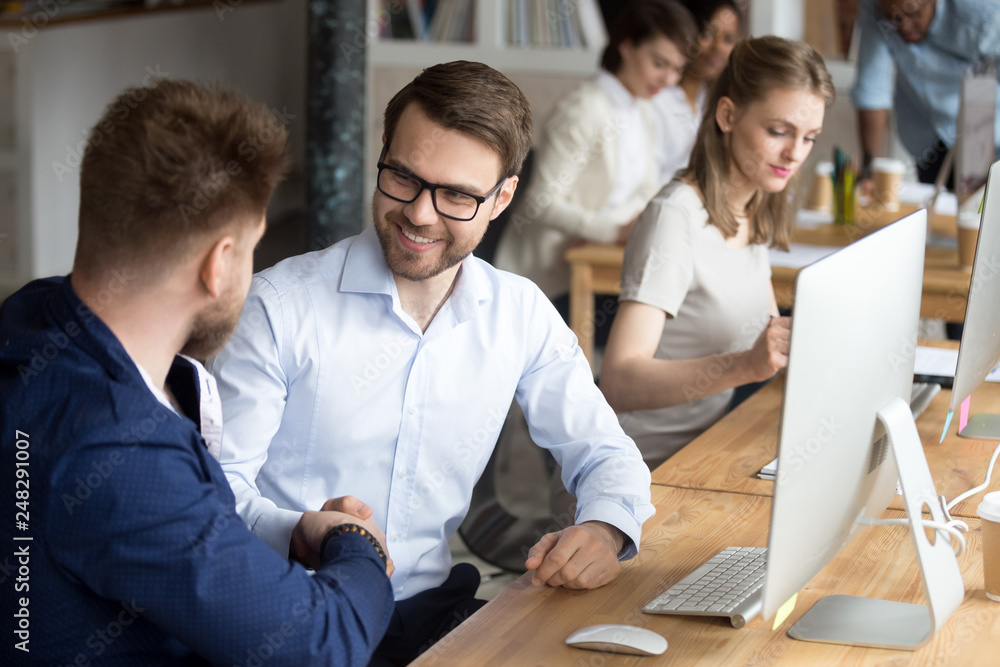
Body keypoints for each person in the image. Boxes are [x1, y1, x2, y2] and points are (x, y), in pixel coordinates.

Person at [208, 60, 655, 666]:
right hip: (291, 619)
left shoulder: (518, 312)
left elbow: (604, 451)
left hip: (428, 617)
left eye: (457, 195)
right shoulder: (278, 308)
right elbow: (213, 496)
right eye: (403, 178)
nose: (419, 213)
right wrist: (301, 530)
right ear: (383, 154)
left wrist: (606, 529)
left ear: (502, 199)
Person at [0, 80, 394, 665]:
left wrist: (295, 532)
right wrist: (355, 544)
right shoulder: (121, 451)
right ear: (220, 263)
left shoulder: (32, 312)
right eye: (253, 247)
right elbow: (323, 645)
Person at [600, 37, 835, 470]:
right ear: (727, 115)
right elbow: (619, 381)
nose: (795, 153)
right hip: (639, 469)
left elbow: (769, 328)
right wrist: (746, 365)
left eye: (809, 137)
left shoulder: (752, 204)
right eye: (778, 131)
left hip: (707, 446)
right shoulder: (676, 217)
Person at [493, 0, 696, 349]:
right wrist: (613, 231)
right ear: (627, 45)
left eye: (677, 69)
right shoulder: (585, 109)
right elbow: (540, 203)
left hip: (594, 264)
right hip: (548, 277)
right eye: (659, 63)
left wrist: (604, 234)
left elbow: (644, 192)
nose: (669, 79)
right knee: (665, 323)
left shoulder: (640, 107)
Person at [852, 0, 1000, 191]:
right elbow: (872, 89)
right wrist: (869, 171)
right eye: (894, 18)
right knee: (935, 214)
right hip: (927, 141)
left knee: (983, 214)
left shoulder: (983, 11)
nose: (904, 27)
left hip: (986, 137)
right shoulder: (875, 6)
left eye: (913, 14)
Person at [653, 0, 743, 184]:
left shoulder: (711, 102)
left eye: (728, 39)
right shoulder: (657, 98)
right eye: (707, 34)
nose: (718, 47)